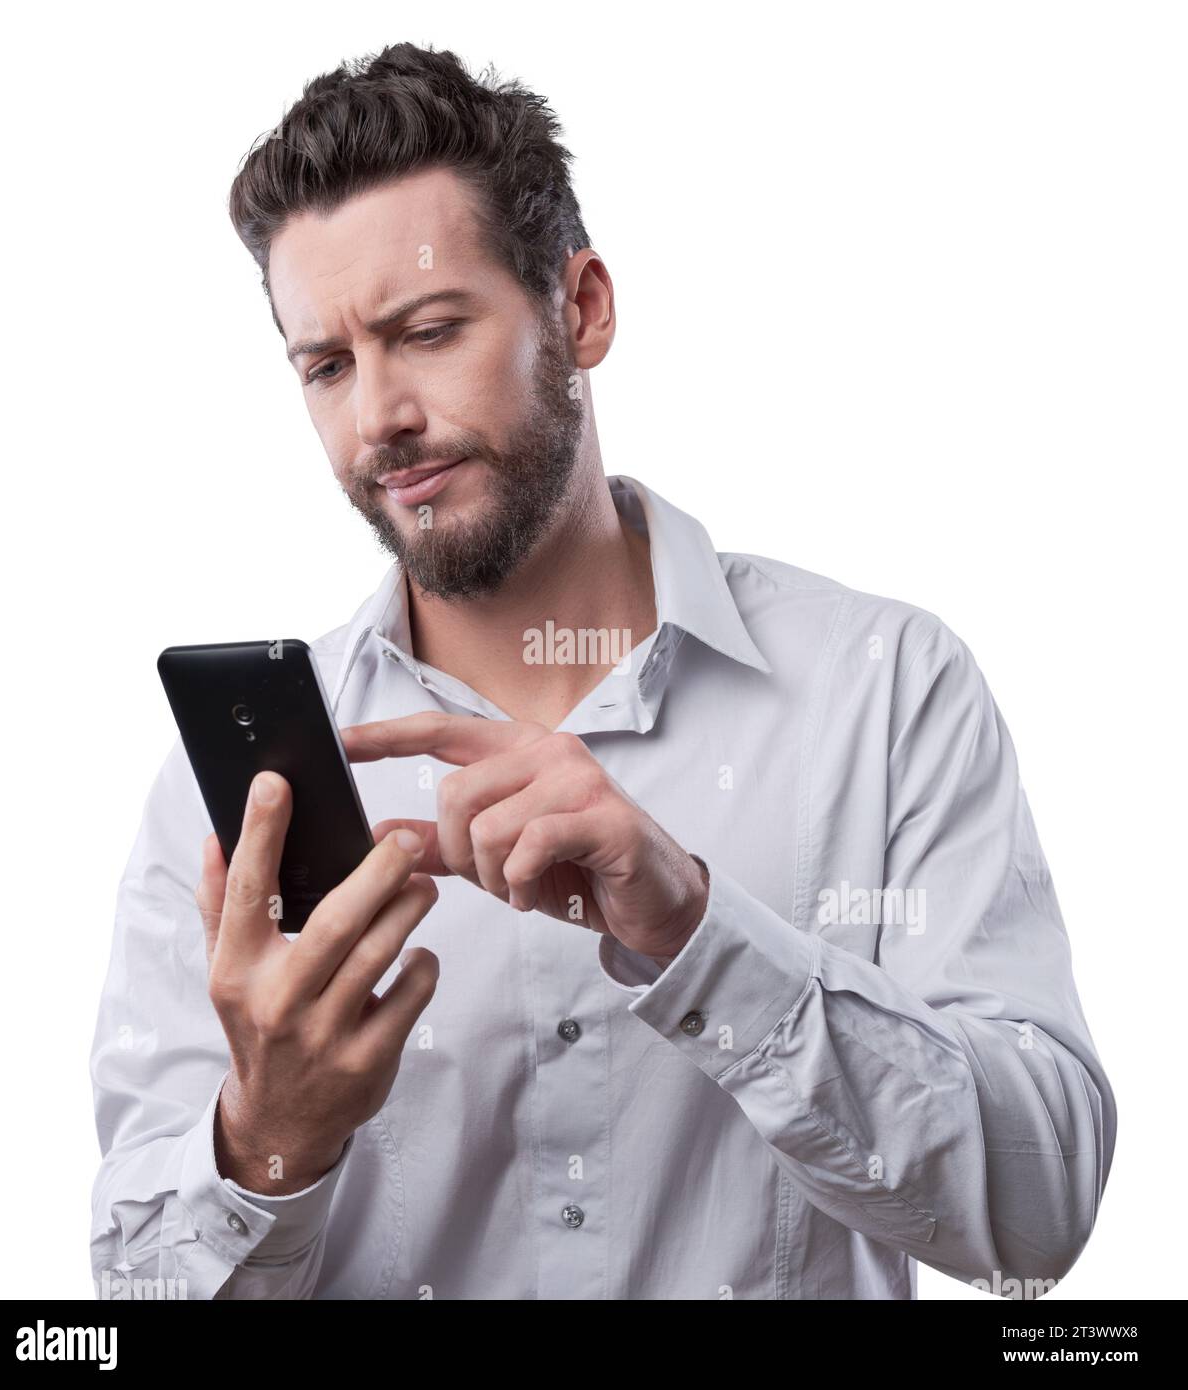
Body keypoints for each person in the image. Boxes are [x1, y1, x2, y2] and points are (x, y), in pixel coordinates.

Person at [89, 41, 1116, 1300]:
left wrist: (697, 931)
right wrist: (268, 1139)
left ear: (579, 310)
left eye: (426, 332)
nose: (378, 420)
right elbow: (129, 1307)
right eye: (328, 366)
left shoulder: (884, 690)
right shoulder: (223, 803)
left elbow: (1042, 1206)